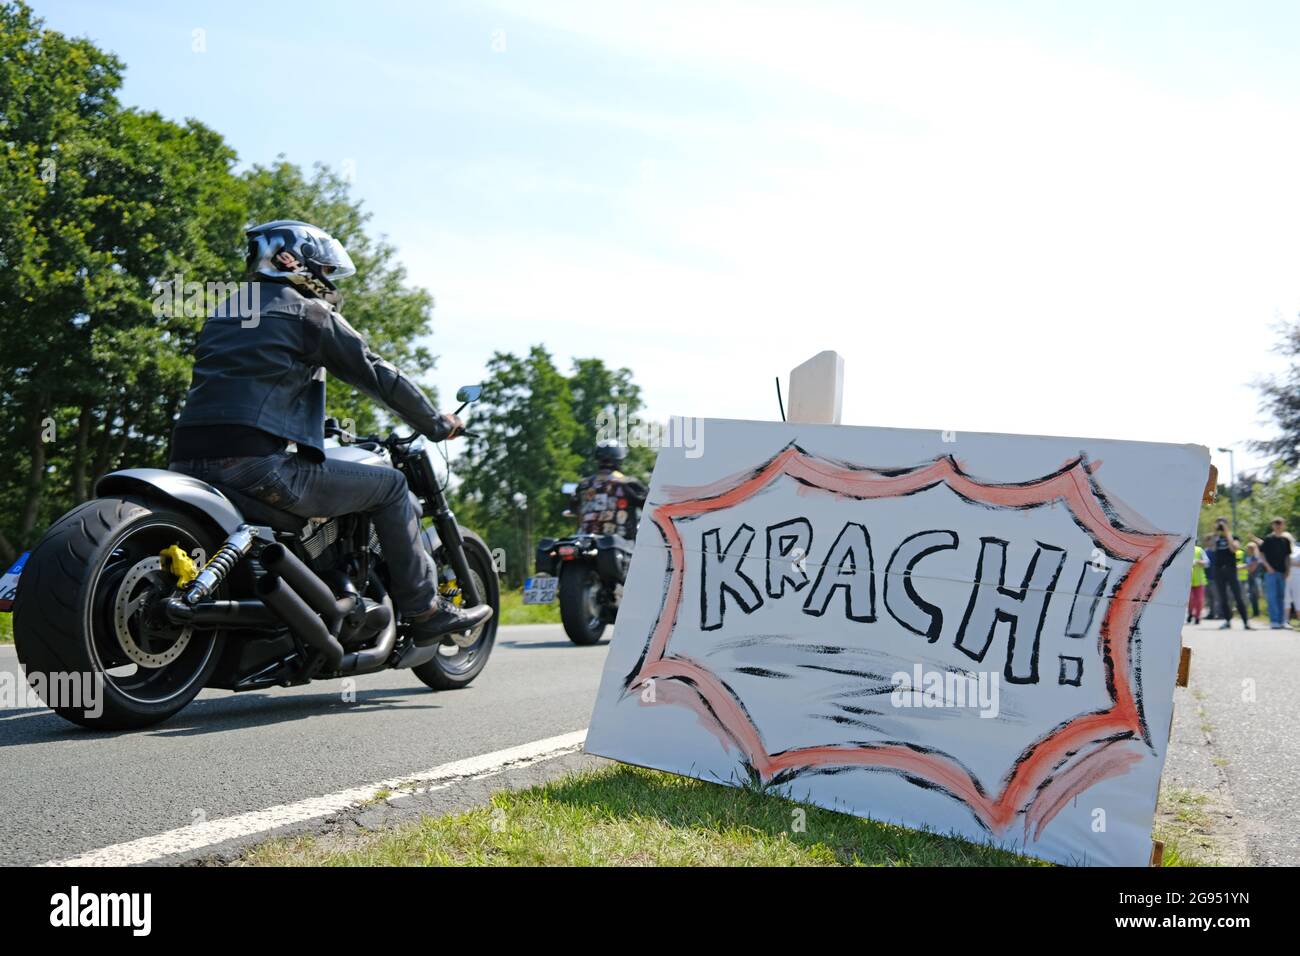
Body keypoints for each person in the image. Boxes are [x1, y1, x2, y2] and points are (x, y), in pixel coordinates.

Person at [168, 220, 491, 646]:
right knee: (392, 486)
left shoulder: (226, 312)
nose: (325, 279)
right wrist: (436, 422)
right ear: (290, 260)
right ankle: (425, 609)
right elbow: (377, 374)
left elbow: (252, 385)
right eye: (321, 268)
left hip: (187, 464)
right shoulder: (308, 313)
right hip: (256, 467)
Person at [570, 442, 647, 542]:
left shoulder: (584, 484)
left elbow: (573, 507)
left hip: (587, 544)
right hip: (622, 545)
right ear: (620, 458)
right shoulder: (628, 483)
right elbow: (649, 504)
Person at [1209, 518, 1252, 630]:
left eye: (1223, 523)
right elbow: (1212, 548)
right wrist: (1215, 532)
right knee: (1223, 597)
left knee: (1238, 596)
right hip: (1218, 570)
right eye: (1219, 523)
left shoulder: (1234, 537)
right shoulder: (1216, 538)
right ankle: (1227, 621)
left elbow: (1234, 549)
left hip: (1231, 570)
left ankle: (1245, 622)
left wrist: (1227, 532)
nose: (1221, 526)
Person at [1260, 517, 1292, 630]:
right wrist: (1268, 567)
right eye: (1276, 523)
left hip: (1283, 572)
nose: (1278, 525)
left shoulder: (1285, 540)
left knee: (1282, 597)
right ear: (1272, 525)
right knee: (1272, 596)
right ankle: (1274, 621)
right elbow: (1261, 554)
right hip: (1271, 573)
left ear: (1283, 525)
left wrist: (1288, 570)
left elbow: (1287, 556)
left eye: (1280, 523)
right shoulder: (1268, 539)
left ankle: (1282, 620)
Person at [1187, 542, 1208, 624]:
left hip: (1199, 580)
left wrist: (1198, 561)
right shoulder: (1185, 549)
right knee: (1190, 599)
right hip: (1188, 580)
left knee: (1199, 600)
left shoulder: (1199, 550)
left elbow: (1207, 562)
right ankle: (1190, 613)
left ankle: (1197, 617)